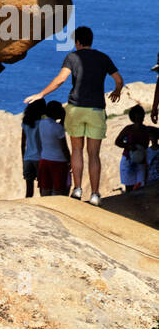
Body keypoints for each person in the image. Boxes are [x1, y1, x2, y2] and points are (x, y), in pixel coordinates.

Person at [24, 25, 122, 206]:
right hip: (96, 110)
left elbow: (60, 79)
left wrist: (41, 94)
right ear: (90, 41)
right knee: (94, 154)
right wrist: (117, 91)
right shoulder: (103, 58)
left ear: (77, 41)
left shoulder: (72, 57)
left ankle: (77, 189)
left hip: (76, 108)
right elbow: (118, 79)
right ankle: (94, 194)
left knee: (77, 150)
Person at [36, 100, 71, 196]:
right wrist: (70, 160)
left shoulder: (40, 124)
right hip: (59, 162)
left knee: (45, 188)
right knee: (59, 189)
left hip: (44, 160)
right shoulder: (58, 128)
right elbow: (64, 147)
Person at [115, 105, 151, 191]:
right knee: (129, 188)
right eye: (137, 115)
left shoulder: (146, 129)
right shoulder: (128, 129)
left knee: (141, 187)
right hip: (128, 160)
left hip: (141, 161)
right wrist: (129, 146)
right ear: (133, 117)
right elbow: (117, 142)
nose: (139, 117)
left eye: (140, 115)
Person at [21, 99, 45, 197]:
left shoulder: (25, 124)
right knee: (43, 189)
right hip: (40, 158)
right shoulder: (42, 123)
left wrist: (23, 158)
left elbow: (22, 143)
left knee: (29, 190)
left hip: (28, 158)